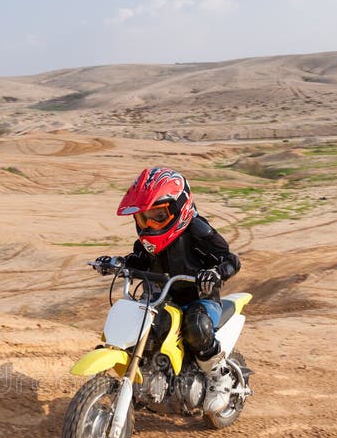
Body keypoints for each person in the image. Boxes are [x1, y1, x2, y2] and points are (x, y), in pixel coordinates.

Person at [94, 166, 241, 415]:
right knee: (142, 326)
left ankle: (219, 377)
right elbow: (138, 259)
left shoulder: (197, 230)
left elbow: (231, 259)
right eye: (143, 217)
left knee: (196, 325)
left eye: (158, 216)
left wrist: (215, 273)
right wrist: (118, 263)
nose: (149, 224)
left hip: (200, 299)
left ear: (179, 208)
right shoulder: (148, 241)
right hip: (163, 298)